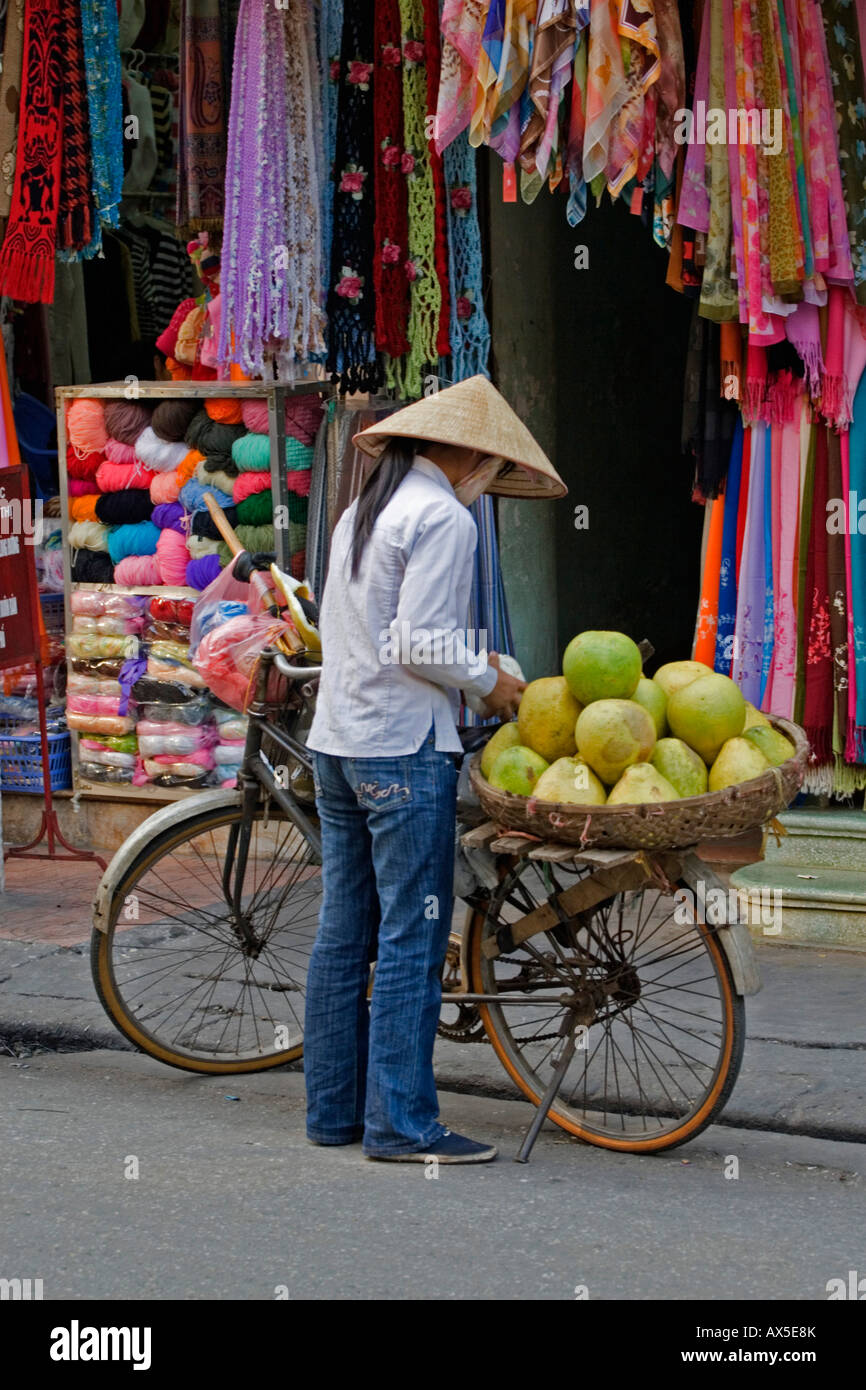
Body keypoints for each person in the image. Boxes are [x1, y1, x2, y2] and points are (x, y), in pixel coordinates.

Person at [304, 375, 567, 1163]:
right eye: (486, 465)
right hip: (400, 750)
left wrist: (467, 660)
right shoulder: (442, 517)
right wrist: (495, 682)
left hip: (340, 743)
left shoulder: (369, 507)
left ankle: (334, 1113)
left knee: (345, 933)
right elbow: (419, 644)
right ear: (466, 454)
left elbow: (385, 631)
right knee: (414, 938)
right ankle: (403, 1125)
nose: (487, 479)